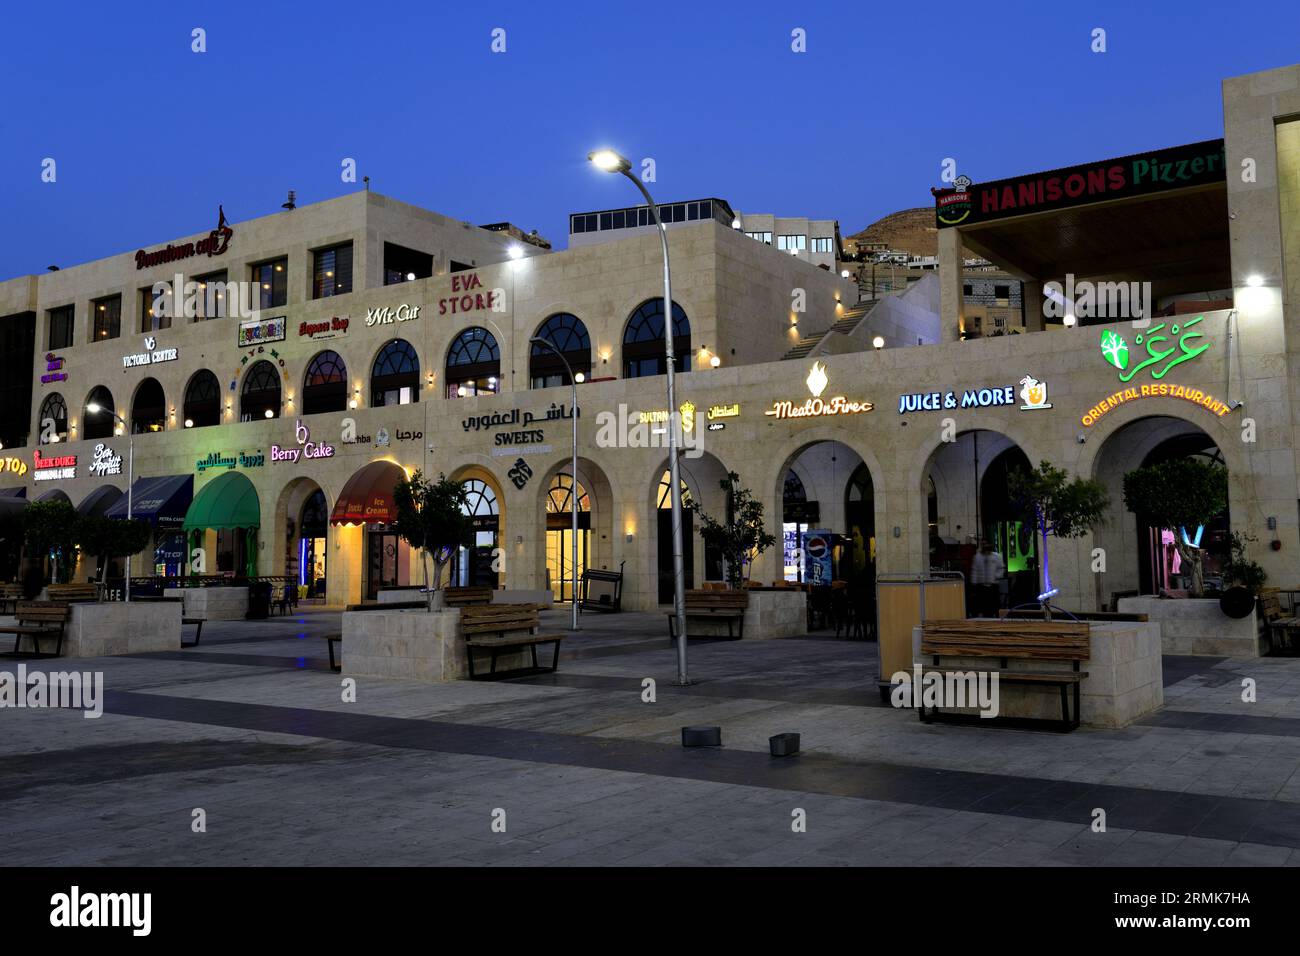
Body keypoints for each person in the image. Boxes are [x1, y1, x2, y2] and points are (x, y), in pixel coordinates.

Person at [970, 539, 1006, 618]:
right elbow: (974, 571)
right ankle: (986, 620)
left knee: (995, 606)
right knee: (983, 606)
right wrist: (974, 584)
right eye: (983, 544)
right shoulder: (977, 557)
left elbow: (1001, 568)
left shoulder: (997, 556)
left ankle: (996, 620)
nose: (985, 546)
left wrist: (996, 576)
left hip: (993, 586)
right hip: (981, 586)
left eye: (986, 544)